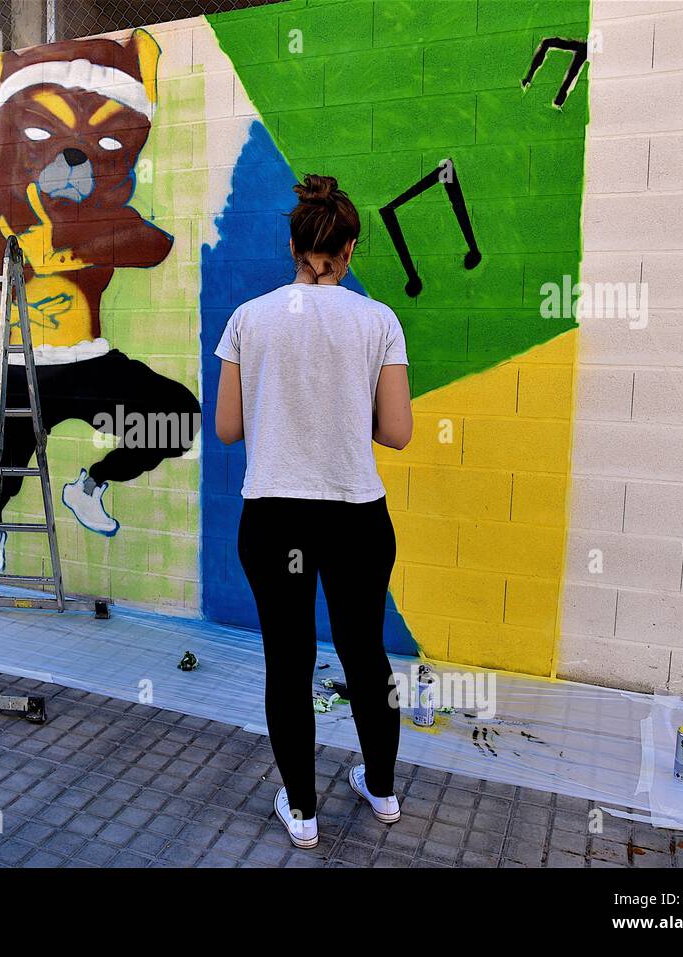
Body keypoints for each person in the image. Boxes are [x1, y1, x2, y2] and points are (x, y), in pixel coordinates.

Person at [214, 174, 413, 849]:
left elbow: (228, 428)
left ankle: (302, 811)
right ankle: (381, 791)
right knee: (367, 656)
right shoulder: (378, 320)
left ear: (293, 245)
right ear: (349, 248)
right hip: (357, 514)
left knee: (288, 661)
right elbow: (398, 430)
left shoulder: (250, 317)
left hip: (274, 515)